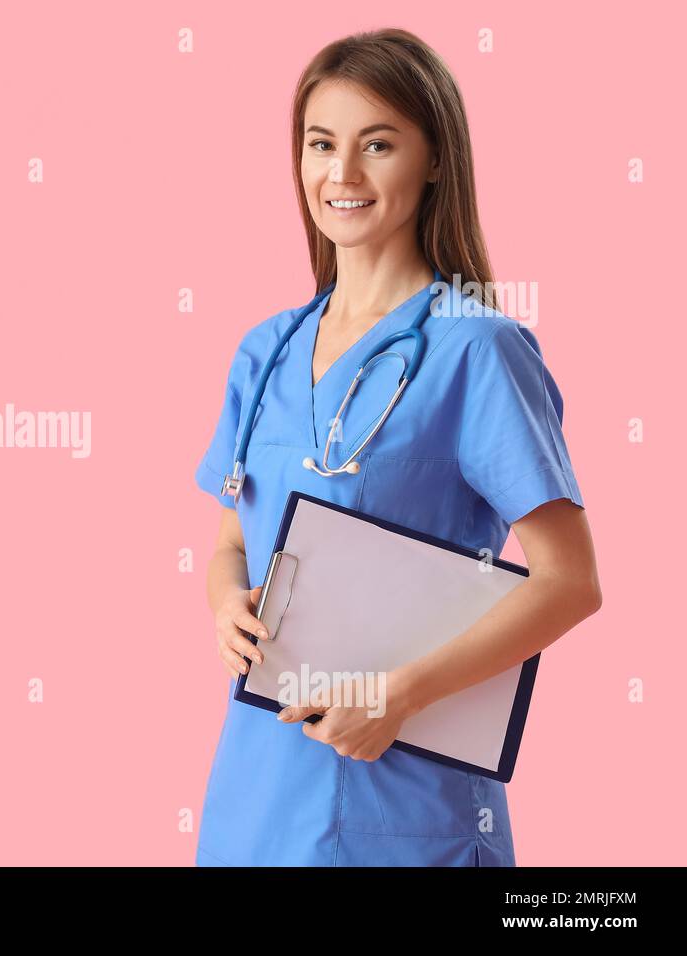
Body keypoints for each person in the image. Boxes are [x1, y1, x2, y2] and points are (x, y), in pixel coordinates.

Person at [192, 28, 601, 867]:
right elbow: (237, 538)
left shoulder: (476, 349)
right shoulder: (266, 350)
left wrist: (399, 696)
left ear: (435, 159)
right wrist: (223, 601)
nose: (341, 175)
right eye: (320, 144)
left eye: (377, 144)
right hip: (257, 790)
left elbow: (571, 584)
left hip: (403, 794)